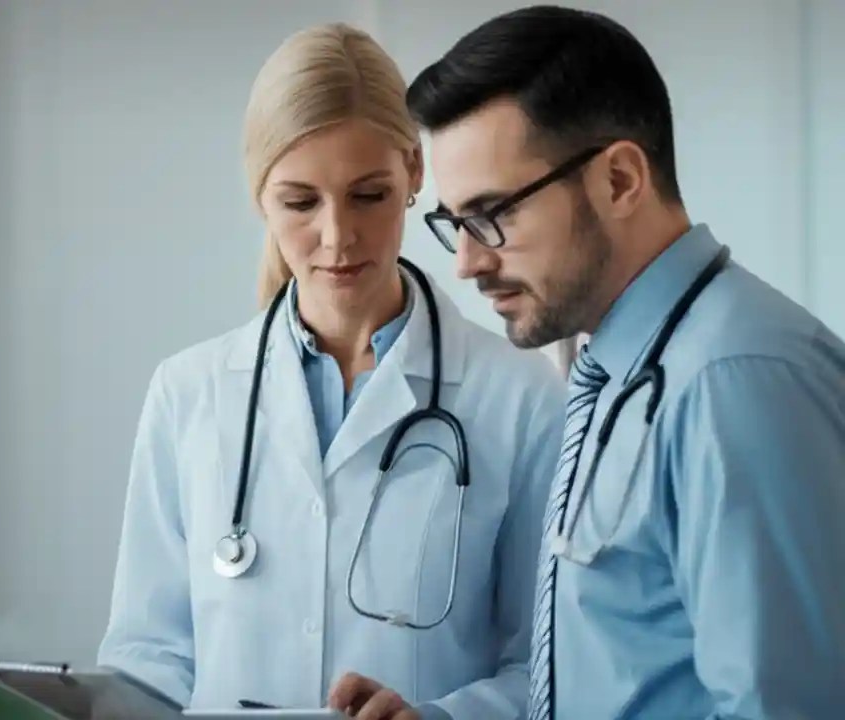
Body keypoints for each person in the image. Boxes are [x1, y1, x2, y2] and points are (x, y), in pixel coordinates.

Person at [344, 5, 845, 719]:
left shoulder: (735, 381)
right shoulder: (619, 371)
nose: (466, 262)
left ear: (618, 181)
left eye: (493, 214)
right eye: (455, 223)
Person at [95, 21, 566, 720]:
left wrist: (438, 717)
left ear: (413, 171)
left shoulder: (520, 397)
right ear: (260, 195)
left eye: (369, 195)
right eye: (299, 202)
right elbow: (147, 654)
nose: (337, 237)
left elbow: (545, 665)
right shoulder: (187, 395)